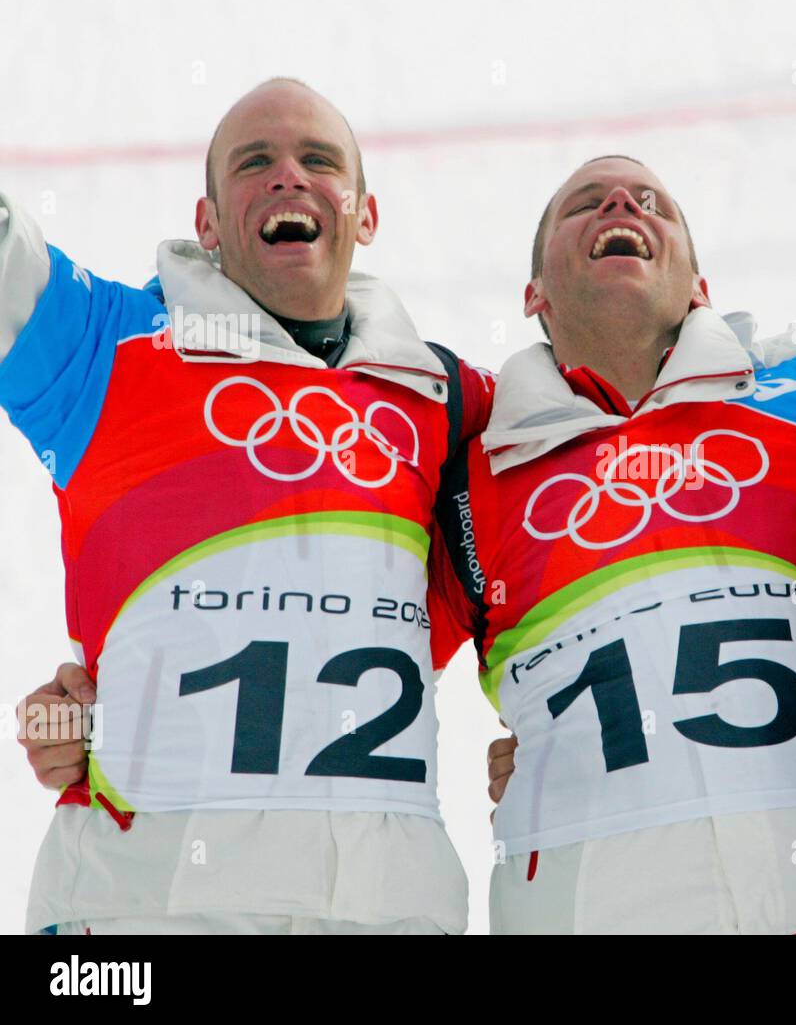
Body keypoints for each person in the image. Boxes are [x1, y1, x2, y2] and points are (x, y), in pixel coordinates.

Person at [3, 77, 492, 935]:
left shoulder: (450, 404)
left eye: (319, 160)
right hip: (131, 917)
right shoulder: (104, 350)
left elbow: (626, 460)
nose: (287, 177)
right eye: (254, 162)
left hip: (384, 913)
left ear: (364, 214)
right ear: (207, 223)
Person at [432, 154, 796, 934]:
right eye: (585, 204)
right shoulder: (472, 471)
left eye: (652, 202)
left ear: (702, 291)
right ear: (533, 292)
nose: (619, 202)